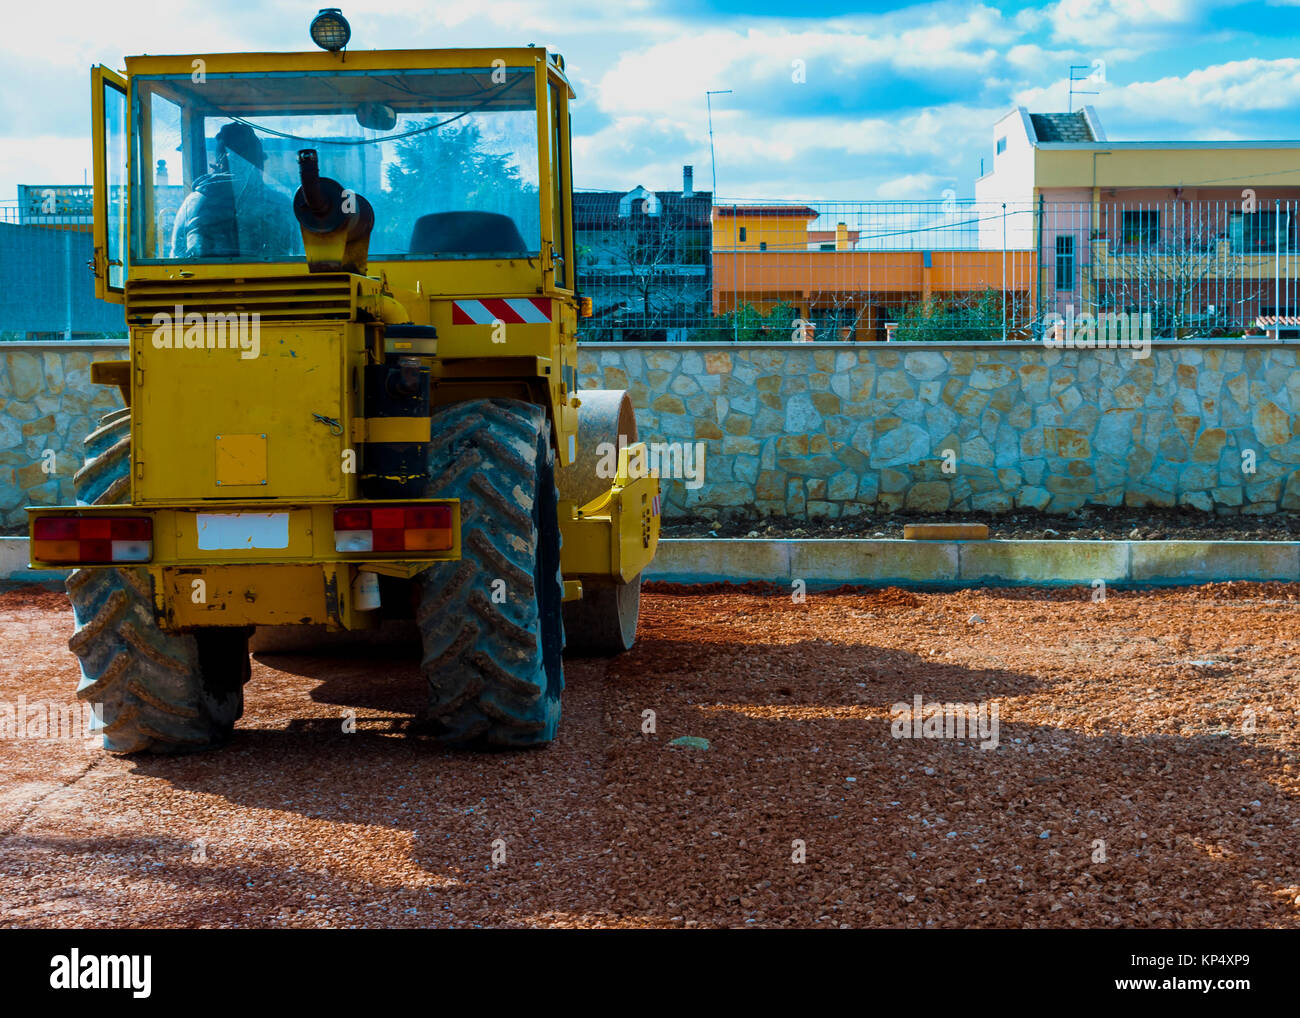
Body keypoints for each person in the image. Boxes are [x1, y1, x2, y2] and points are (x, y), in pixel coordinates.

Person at [170, 122, 295, 259]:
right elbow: (297, 254)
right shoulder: (280, 204)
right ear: (258, 163)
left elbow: (177, 257)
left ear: (218, 163)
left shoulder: (193, 204)